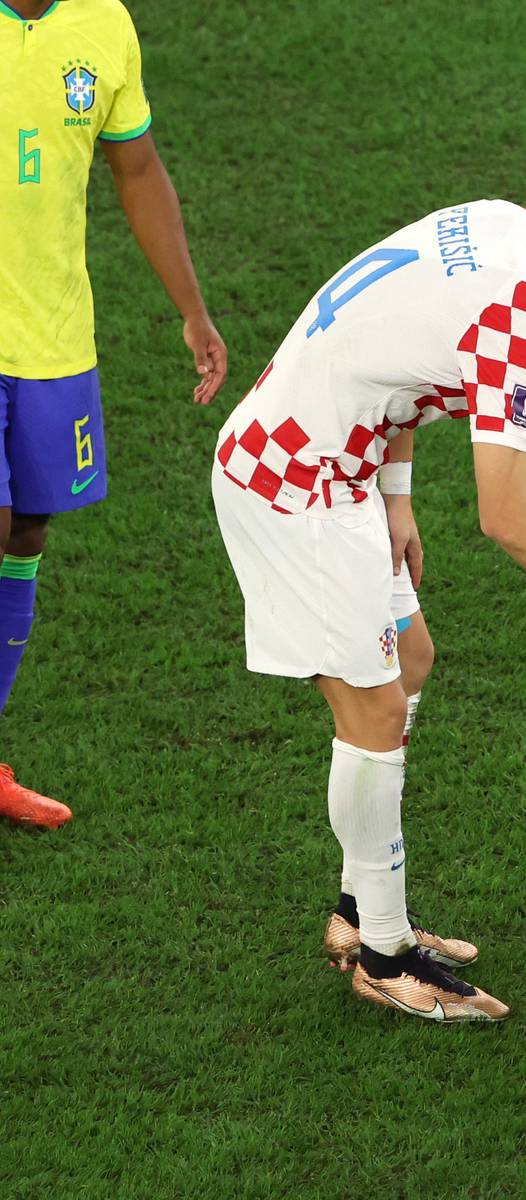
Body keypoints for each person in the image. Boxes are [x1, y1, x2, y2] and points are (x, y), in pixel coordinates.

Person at [212, 199, 526, 1021]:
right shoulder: (519, 331)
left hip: (332, 467)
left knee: (409, 660)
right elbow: (506, 518)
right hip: (295, 488)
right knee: (371, 708)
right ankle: (384, 952)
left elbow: (395, 347)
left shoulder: (505, 222)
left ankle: (357, 913)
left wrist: (397, 496)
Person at [1, 0, 227, 827]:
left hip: (53, 341)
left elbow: (136, 170)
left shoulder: (104, 23)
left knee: (27, 530)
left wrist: (192, 310)